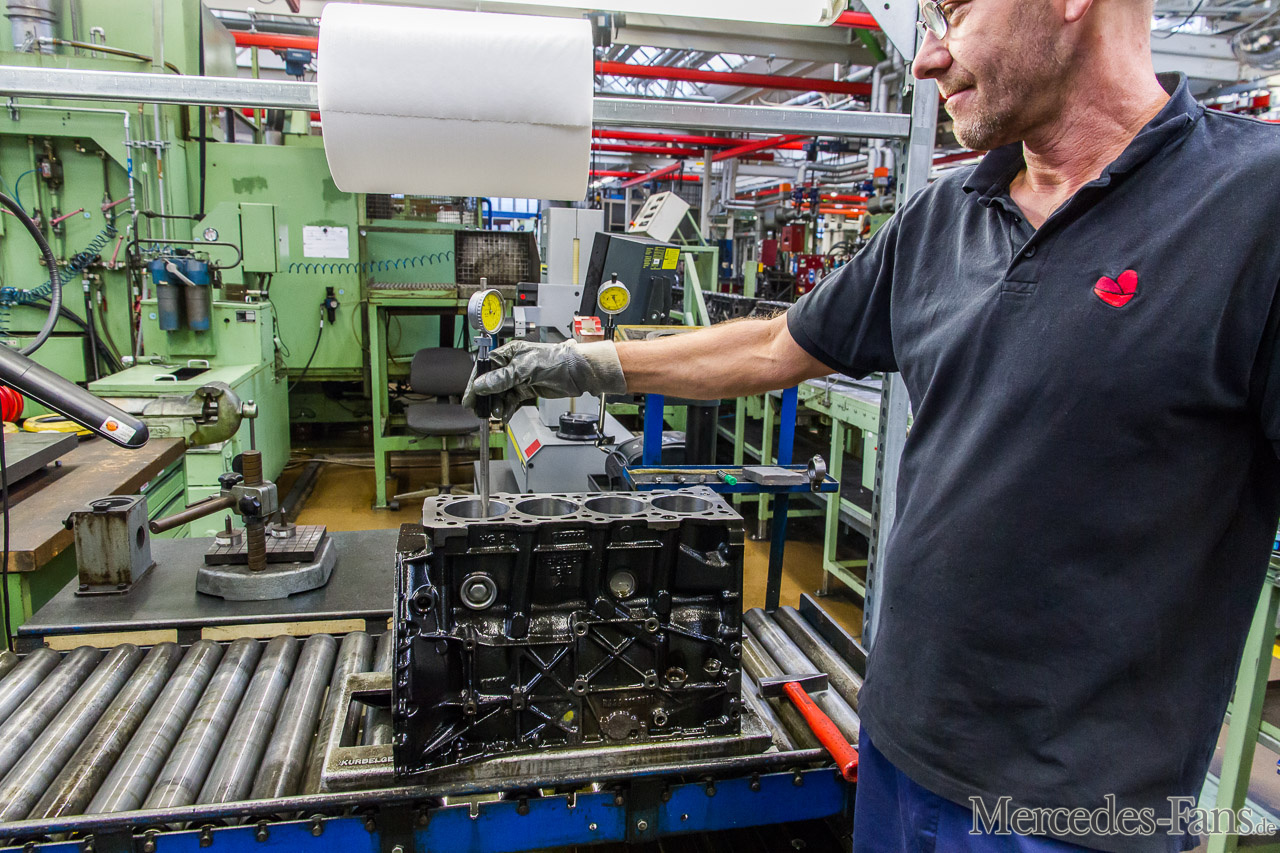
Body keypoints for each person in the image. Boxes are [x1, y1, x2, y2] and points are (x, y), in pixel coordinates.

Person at [464, 0, 1280, 849]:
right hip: (898, 748)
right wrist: (585, 365)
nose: (926, 59)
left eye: (954, 14)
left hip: (1076, 812)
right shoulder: (945, 212)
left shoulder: (1254, 207)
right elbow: (780, 344)